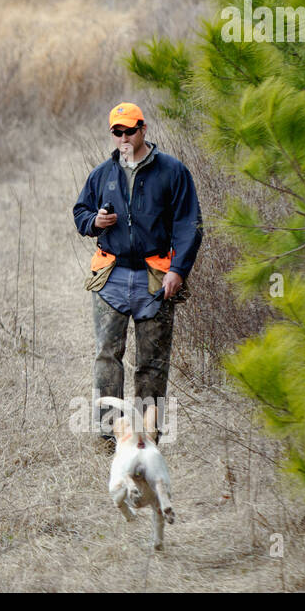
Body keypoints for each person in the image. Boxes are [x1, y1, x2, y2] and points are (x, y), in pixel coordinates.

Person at [73, 102, 202, 449]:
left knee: (152, 363)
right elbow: (80, 211)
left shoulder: (173, 172)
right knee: (106, 355)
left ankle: (148, 435)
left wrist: (178, 270)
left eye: (130, 130)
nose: (124, 137)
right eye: (118, 131)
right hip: (110, 276)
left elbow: (190, 225)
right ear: (113, 134)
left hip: (155, 279)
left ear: (144, 129)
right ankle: (109, 434)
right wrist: (93, 222)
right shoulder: (102, 174)